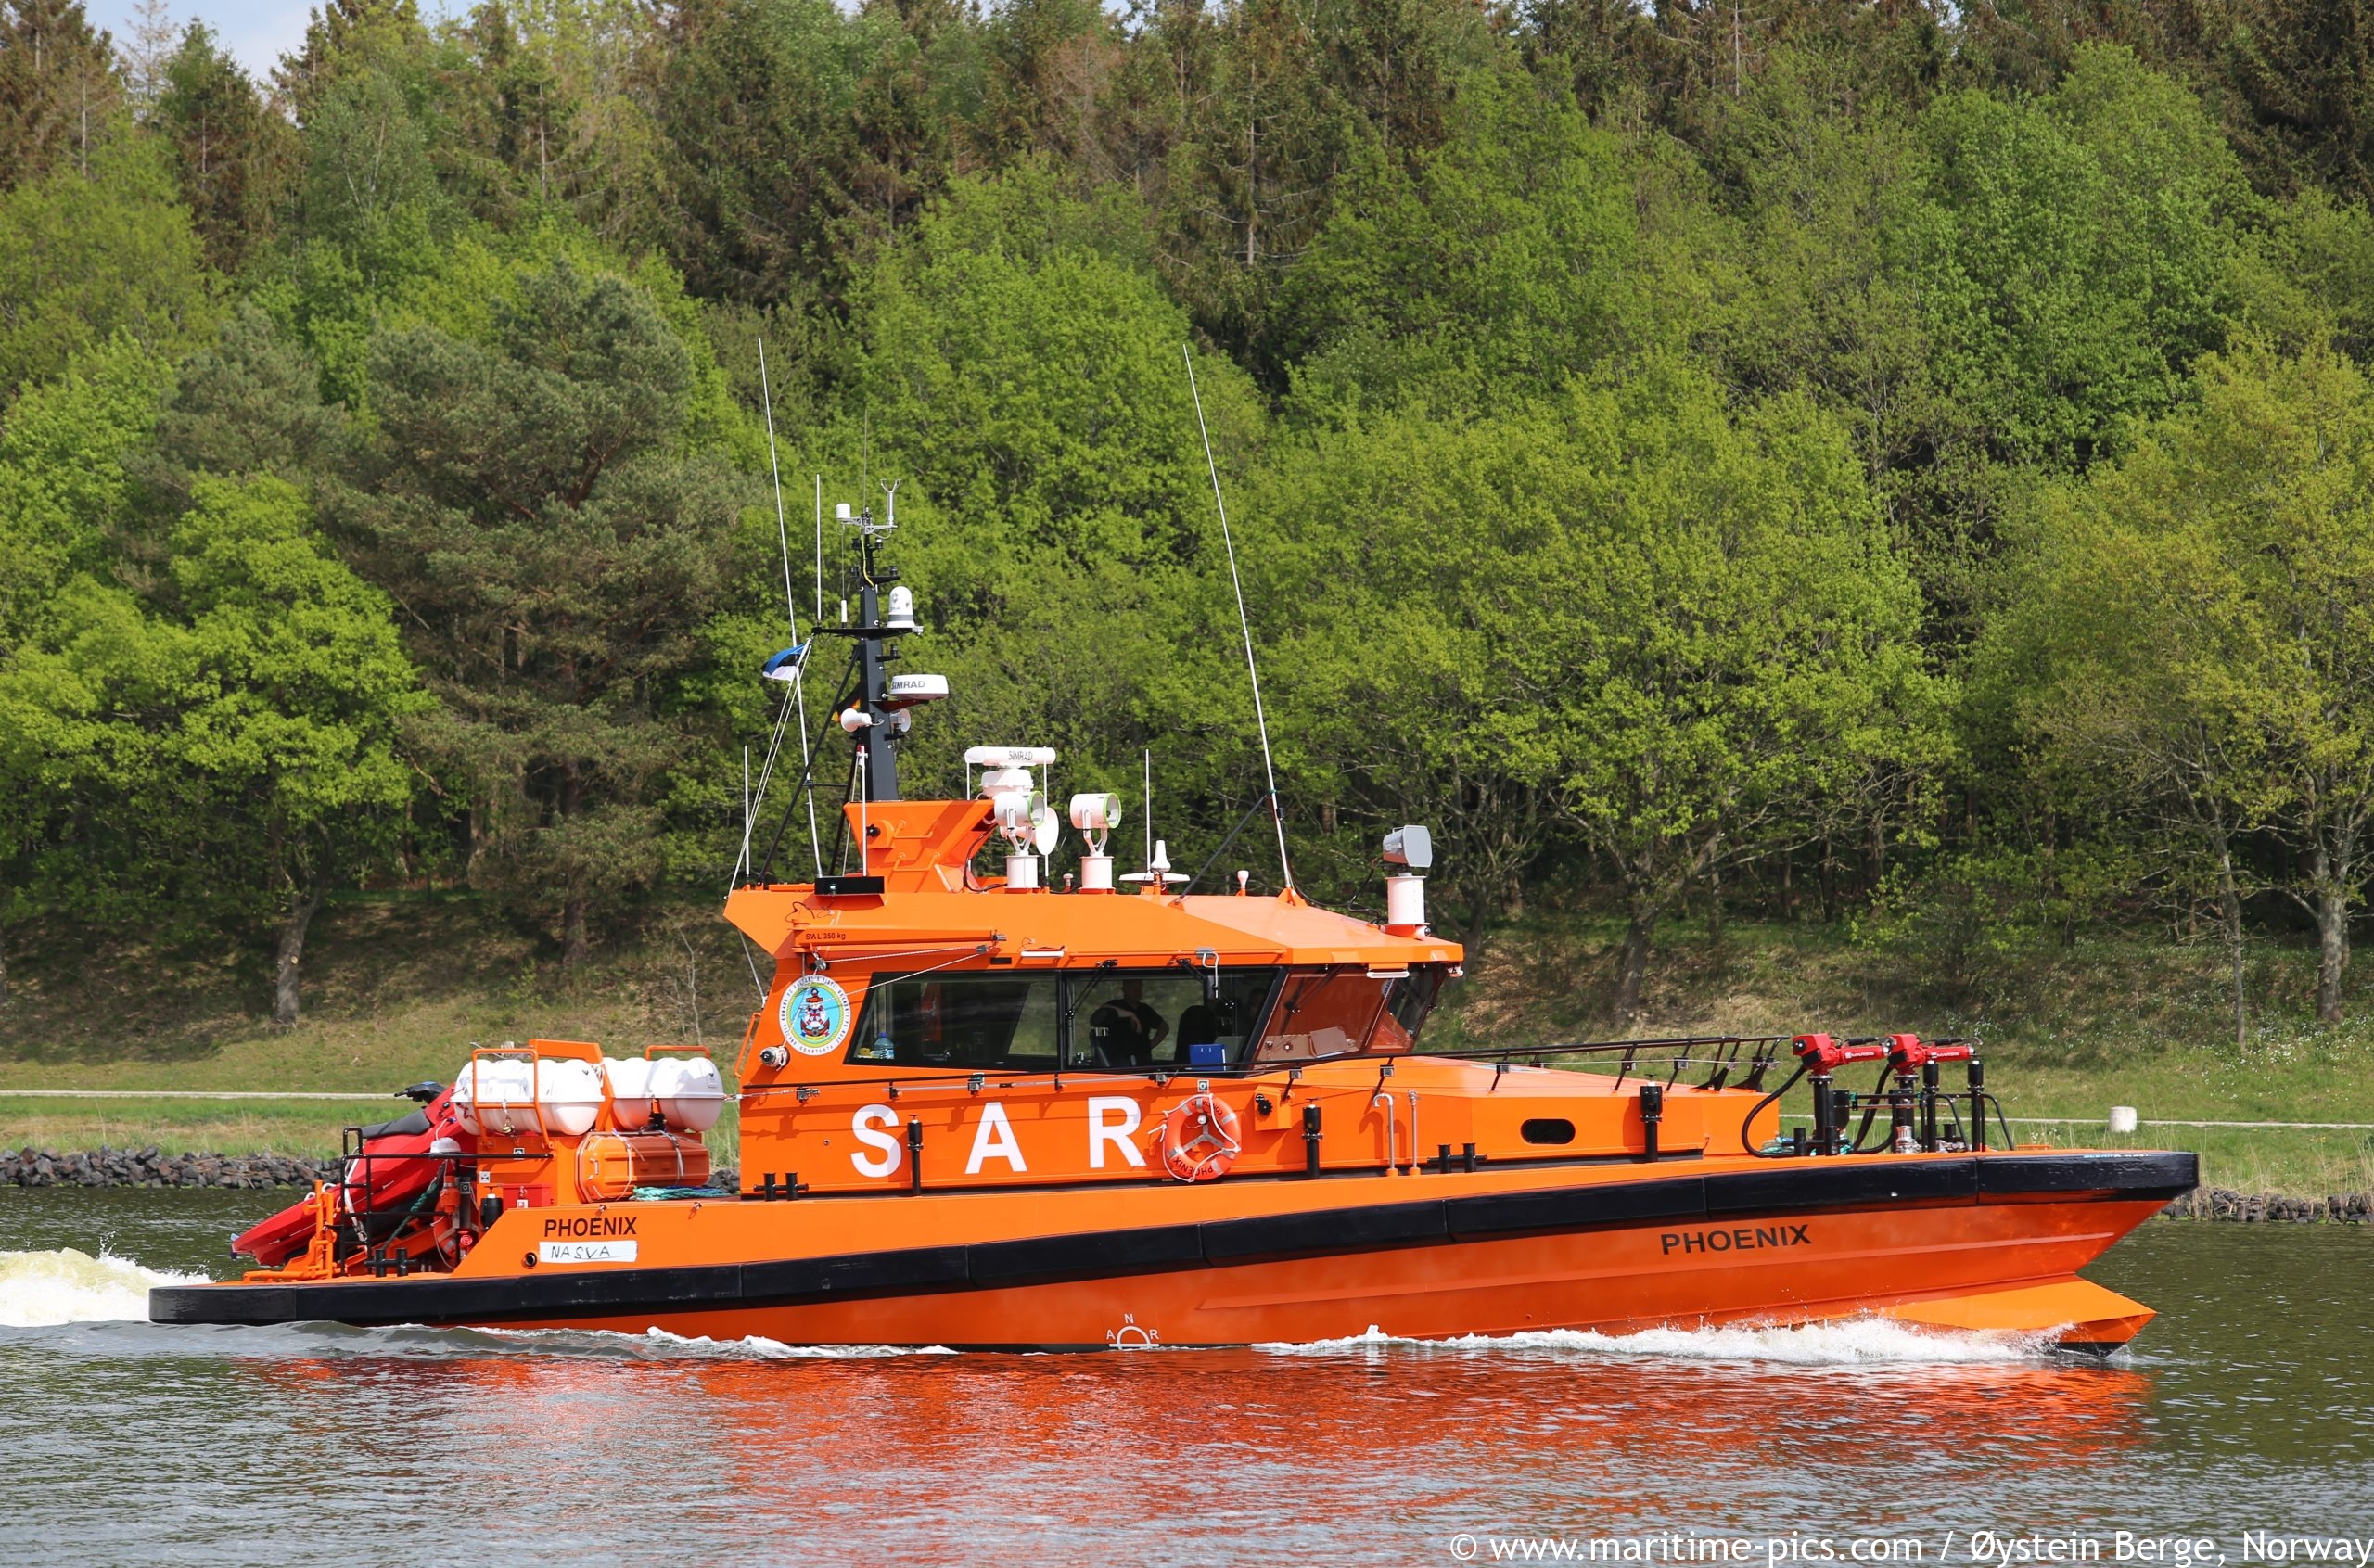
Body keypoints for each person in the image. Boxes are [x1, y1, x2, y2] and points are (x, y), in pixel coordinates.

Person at [1088, 978, 1168, 1067]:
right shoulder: (1115, 1005)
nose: (1137, 992)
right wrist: (1129, 1014)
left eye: (1139, 988)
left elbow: (1164, 1027)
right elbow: (1097, 1016)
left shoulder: (1145, 1009)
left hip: (1143, 1061)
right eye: (1133, 988)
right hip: (1118, 1061)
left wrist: (1149, 1046)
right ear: (1124, 989)